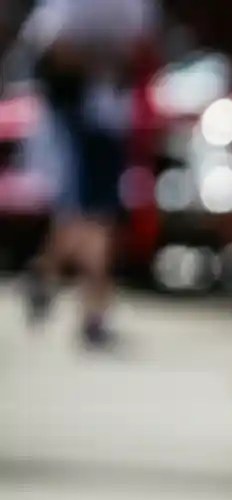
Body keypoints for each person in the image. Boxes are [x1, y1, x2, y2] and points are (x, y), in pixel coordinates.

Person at [20, 0, 157, 349]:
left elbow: (140, 49)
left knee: (89, 214)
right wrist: (95, 63)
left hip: (111, 118)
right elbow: (50, 46)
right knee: (94, 215)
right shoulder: (73, 5)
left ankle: (46, 274)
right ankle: (92, 313)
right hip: (73, 118)